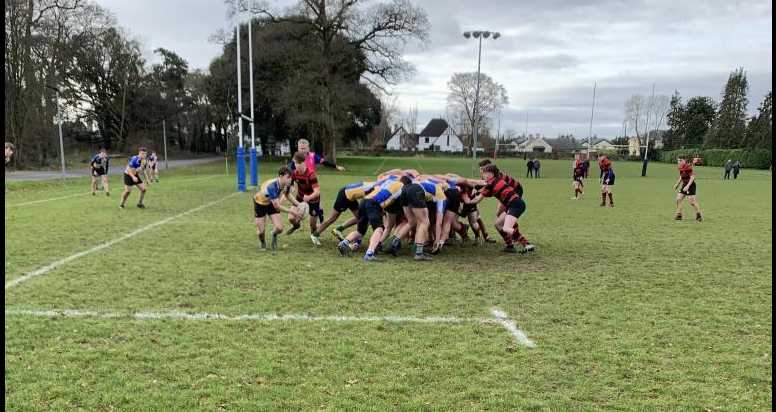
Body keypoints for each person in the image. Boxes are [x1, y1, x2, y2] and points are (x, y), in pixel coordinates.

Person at [465, 164, 535, 254]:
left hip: (515, 204)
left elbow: (477, 199)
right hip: (512, 204)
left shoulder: (490, 183)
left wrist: (466, 201)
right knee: (498, 224)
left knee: (506, 228)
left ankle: (526, 244)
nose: (483, 176)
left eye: (485, 173)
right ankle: (510, 246)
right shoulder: (496, 180)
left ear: (491, 174)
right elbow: (482, 190)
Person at [338, 177, 404, 262]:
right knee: (379, 229)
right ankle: (369, 254)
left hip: (364, 201)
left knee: (360, 231)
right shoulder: (402, 187)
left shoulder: (388, 182)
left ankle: (344, 243)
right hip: (374, 203)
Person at [313, 180, 379, 242]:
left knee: (360, 217)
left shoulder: (377, 185)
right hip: (344, 195)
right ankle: (315, 235)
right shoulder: (376, 189)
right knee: (332, 218)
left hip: (351, 196)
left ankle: (338, 230)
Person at [253, 166, 299, 250]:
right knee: (261, 232)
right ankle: (263, 242)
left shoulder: (286, 184)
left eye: (290, 177)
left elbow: (288, 195)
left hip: (271, 203)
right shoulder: (272, 186)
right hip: (260, 204)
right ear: (281, 176)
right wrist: (291, 211)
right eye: (288, 177)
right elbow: (277, 206)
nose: (290, 180)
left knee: (280, 228)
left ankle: (274, 234)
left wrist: (299, 205)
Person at [287, 151, 322, 244]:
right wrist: (291, 188)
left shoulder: (311, 174)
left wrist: (309, 197)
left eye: (296, 163)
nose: (295, 165)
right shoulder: (294, 173)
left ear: (303, 162)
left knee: (312, 225)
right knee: (291, 217)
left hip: (313, 200)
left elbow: (317, 192)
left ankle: (314, 235)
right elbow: (290, 184)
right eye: (294, 163)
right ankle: (296, 225)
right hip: (299, 198)